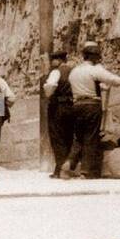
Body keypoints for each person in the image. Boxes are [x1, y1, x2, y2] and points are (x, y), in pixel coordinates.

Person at [63, 41, 120, 179]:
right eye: (98, 56)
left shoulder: (74, 71)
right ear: (93, 57)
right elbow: (111, 79)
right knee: (90, 138)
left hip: (77, 105)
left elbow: (91, 85)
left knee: (78, 138)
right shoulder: (94, 69)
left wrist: (102, 86)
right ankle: (85, 172)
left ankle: (69, 163)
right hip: (91, 105)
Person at [43, 50, 75, 178]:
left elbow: (49, 90)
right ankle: (66, 167)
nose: (51, 62)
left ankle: (60, 169)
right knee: (68, 138)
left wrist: (46, 90)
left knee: (57, 138)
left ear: (58, 60)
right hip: (72, 106)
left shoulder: (56, 72)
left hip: (58, 107)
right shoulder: (73, 71)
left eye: (53, 60)